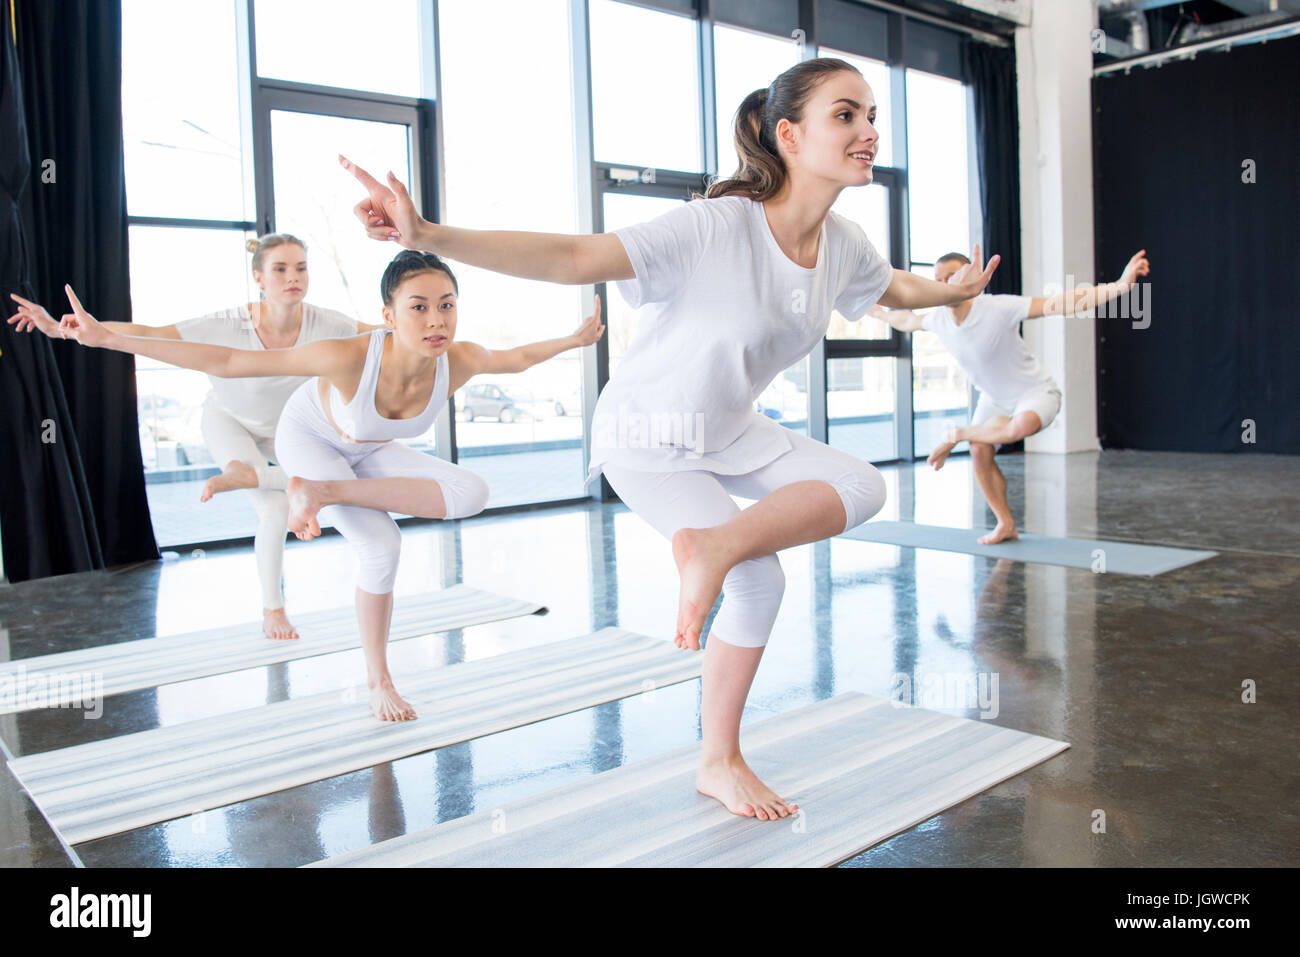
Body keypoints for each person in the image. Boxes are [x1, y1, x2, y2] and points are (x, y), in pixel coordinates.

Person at [341, 56, 1001, 819]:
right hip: (647, 432)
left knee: (865, 484)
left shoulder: (844, 243)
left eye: (870, 115)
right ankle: (718, 757)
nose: (868, 131)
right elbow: (574, 256)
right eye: (845, 115)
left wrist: (952, 290)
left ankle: (714, 556)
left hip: (727, 428)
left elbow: (893, 287)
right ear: (788, 135)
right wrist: (429, 232)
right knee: (764, 580)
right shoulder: (714, 225)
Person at [51, 249, 604, 721]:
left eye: (446, 305)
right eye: (418, 307)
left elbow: (519, 358)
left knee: (473, 492)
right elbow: (227, 359)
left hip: (367, 452)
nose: (436, 320)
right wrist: (107, 339)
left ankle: (316, 491)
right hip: (309, 440)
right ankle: (379, 680)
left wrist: (574, 339)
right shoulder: (349, 355)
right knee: (382, 545)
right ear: (388, 315)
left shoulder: (459, 360)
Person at [8, 233, 385, 640]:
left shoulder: (327, 323)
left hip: (287, 429)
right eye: (280, 269)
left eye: (300, 268)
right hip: (230, 421)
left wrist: (433, 325)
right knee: (275, 512)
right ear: (258, 277)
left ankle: (251, 476)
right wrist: (61, 330)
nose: (292, 277)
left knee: (343, 478)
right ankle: (272, 608)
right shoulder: (228, 323)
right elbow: (155, 332)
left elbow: (384, 334)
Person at [871, 247, 1150, 544]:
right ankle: (1005, 524)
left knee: (1020, 428)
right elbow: (905, 321)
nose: (943, 284)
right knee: (980, 452)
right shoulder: (939, 319)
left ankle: (958, 434)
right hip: (993, 398)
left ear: (972, 277)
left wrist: (1119, 286)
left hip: (1035, 392)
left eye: (951, 276)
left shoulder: (997, 307)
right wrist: (866, 306)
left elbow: (1059, 303)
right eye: (937, 279)